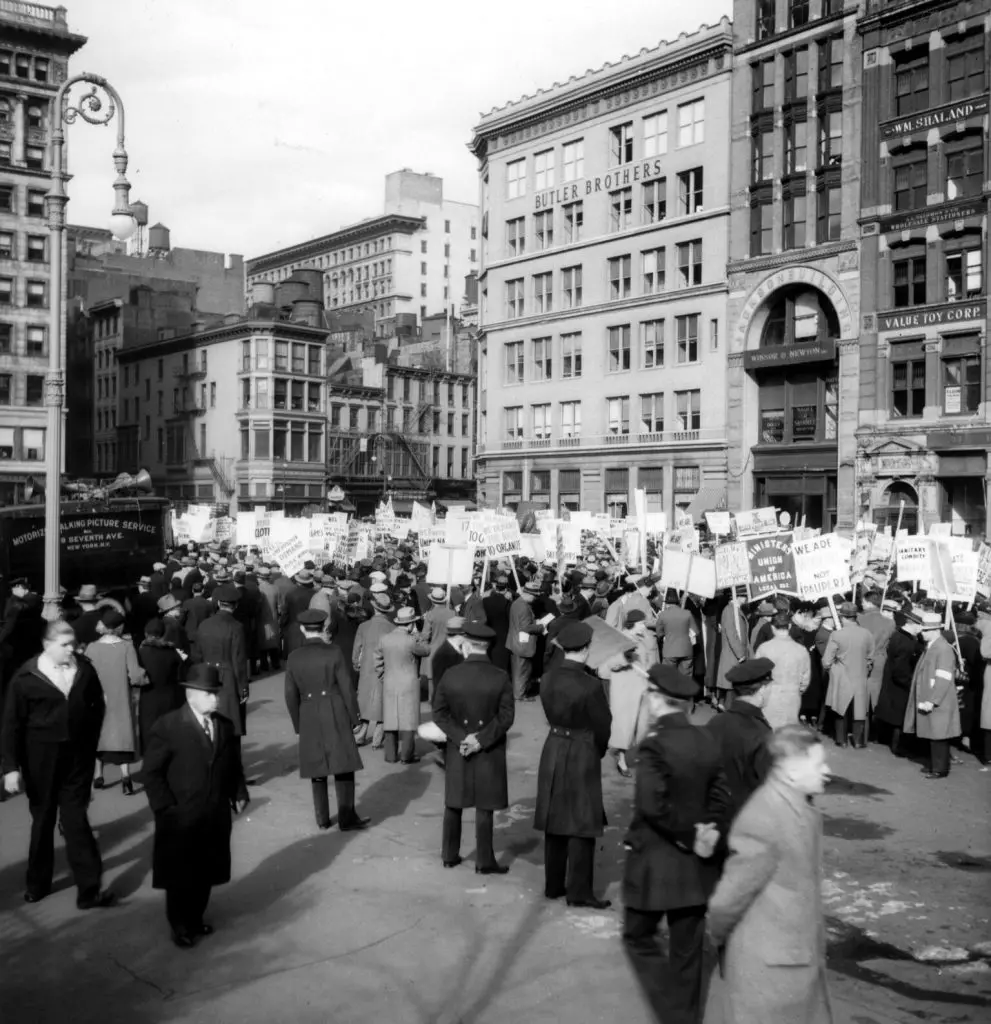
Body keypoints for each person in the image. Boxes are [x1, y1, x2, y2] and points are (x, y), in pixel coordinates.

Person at [621, 664, 730, 1024]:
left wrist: (687, 837)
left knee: (637, 937)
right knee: (687, 950)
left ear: (657, 700)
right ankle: (684, 1017)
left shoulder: (654, 746)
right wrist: (708, 831)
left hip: (656, 864)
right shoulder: (708, 738)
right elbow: (720, 796)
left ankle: (668, 1011)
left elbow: (652, 806)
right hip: (697, 869)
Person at [706, 725, 833, 1024]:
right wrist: (722, 938)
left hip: (793, 962)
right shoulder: (764, 819)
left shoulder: (801, 809)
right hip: (770, 970)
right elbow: (727, 902)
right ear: (790, 771)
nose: (826, 771)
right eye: (818, 765)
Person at [1, 620, 117, 908]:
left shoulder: (85, 669)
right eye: (64, 644)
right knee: (43, 821)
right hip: (40, 760)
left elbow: (97, 706)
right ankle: (37, 883)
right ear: (47, 645)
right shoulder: (26, 677)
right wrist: (10, 768)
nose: (71, 649)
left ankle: (89, 890)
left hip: (77, 759)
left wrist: (90, 743)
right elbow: (11, 725)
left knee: (76, 820)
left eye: (73, 643)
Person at [142, 663, 249, 948]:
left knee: (206, 869)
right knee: (180, 873)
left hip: (214, 812)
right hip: (180, 815)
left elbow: (233, 765)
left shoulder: (224, 726)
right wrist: (165, 807)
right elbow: (151, 772)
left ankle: (195, 917)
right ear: (191, 694)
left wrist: (239, 792)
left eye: (216, 693)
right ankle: (179, 924)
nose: (216, 699)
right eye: (209, 694)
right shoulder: (168, 726)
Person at [533, 620, 612, 908]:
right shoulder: (590, 685)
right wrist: (598, 750)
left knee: (555, 818)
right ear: (587, 648)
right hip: (582, 749)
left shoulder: (549, 677)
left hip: (554, 744)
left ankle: (554, 884)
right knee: (582, 821)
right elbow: (604, 725)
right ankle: (579, 891)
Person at [432, 622, 515, 872]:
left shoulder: (451, 674)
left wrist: (461, 737)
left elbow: (439, 713)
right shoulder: (500, 677)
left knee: (454, 801)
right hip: (488, 748)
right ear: (488, 646)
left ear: (466, 644)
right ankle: (484, 860)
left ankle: (449, 854)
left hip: (459, 747)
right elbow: (506, 717)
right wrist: (480, 739)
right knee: (485, 804)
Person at [284, 609, 369, 832]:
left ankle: (322, 818)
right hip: (335, 708)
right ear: (323, 628)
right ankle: (346, 817)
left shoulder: (294, 657)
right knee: (343, 764)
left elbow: (290, 695)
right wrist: (355, 717)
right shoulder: (334, 652)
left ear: (302, 629)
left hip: (309, 712)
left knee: (317, 768)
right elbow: (347, 688)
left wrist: (297, 724)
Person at [85, 609, 148, 795]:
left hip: (98, 698)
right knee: (123, 736)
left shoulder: (92, 648)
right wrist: (145, 678)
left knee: (98, 735)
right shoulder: (126, 647)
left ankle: (98, 775)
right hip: (121, 698)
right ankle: (125, 778)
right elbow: (135, 675)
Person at [705, 658, 774, 823]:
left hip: (715, 813)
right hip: (746, 818)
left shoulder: (716, 722)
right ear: (763, 689)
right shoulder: (761, 732)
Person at [195, 584, 250, 772]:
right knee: (232, 727)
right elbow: (239, 661)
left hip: (207, 678)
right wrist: (243, 687)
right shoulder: (236, 627)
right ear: (234, 605)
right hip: (228, 679)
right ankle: (234, 771)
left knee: (210, 725)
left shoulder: (204, 625)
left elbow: (198, 655)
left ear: (218, 603)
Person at [903, 610, 961, 779]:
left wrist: (932, 700)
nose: (922, 633)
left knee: (938, 736)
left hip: (937, 699)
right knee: (934, 735)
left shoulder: (942, 649)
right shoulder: (933, 646)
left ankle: (940, 769)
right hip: (931, 697)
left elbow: (943, 678)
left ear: (935, 630)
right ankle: (936, 766)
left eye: (926, 630)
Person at [599, 610, 655, 778]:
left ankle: (640, 753)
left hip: (641, 688)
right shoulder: (620, 640)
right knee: (625, 725)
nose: (644, 627)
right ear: (632, 624)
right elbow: (610, 665)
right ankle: (622, 760)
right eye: (641, 624)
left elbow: (646, 662)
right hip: (624, 690)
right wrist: (624, 656)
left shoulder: (642, 640)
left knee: (642, 724)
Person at [375, 606, 431, 764]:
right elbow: (426, 650)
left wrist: (382, 676)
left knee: (390, 719)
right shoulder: (412, 640)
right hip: (409, 684)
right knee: (408, 720)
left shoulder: (385, 639)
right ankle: (407, 755)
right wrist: (419, 636)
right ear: (411, 624)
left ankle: (390, 755)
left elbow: (377, 659)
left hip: (390, 682)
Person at [822, 603, 874, 748]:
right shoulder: (867, 634)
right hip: (861, 674)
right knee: (859, 709)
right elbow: (871, 656)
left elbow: (827, 660)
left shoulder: (837, 634)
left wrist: (832, 668)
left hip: (842, 675)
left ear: (843, 617)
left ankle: (841, 739)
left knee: (840, 708)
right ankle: (858, 741)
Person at [875, 609, 923, 757]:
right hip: (900, 685)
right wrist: (910, 683)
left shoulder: (897, 635)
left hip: (891, 682)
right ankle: (898, 747)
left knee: (891, 714)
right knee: (899, 718)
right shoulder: (907, 643)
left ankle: (883, 738)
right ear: (914, 624)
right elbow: (900, 669)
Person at [352, 595, 396, 748]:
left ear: (375, 608)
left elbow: (357, 648)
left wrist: (355, 663)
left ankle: (361, 735)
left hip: (366, 667)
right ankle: (377, 739)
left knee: (364, 702)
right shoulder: (393, 628)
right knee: (381, 703)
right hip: (386, 667)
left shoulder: (363, 626)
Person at [755, 612, 811, 730]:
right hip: (792, 696)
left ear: (772, 627)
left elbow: (756, 676)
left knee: (769, 734)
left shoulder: (764, 648)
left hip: (769, 697)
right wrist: (798, 690)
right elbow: (805, 679)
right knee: (788, 736)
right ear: (789, 627)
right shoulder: (801, 650)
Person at [137, 618, 186, 748]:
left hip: (149, 698)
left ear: (146, 633)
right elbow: (181, 673)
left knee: (150, 737)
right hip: (170, 697)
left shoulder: (141, 652)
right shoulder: (172, 651)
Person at [859, 589, 896, 735]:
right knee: (875, 696)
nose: (861, 604)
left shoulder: (860, 619)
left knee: (861, 696)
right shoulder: (890, 623)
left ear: (869, 603)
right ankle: (876, 731)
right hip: (880, 661)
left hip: (861, 659)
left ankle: (861, 731)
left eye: (863, 602)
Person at [507, 580, 543, 701]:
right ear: (529, 594)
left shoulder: (517, 603)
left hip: (516, 641)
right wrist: (540, 626)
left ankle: (520, 692)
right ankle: (520, 695)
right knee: (521, 672)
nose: (535, 599)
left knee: (519, 670)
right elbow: (525, 627)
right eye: (535, 596)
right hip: (522, 644)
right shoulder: (524, 607)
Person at [716, 592, 750, 711]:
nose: (746, 598)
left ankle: (723, 705)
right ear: (738, 596)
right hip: (733, 654)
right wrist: (740, 653)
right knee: (731, 686)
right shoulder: (730, 610)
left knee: (732, 685)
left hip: (735, 653)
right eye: (744, 595)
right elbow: (731, 633)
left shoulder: (734, 610)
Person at [654, 593, 696, 676]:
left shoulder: (663, 614)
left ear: (667, 604)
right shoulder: (687, 613)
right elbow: (694, 631)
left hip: (670, 650)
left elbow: (659, 633)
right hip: (687, 650)